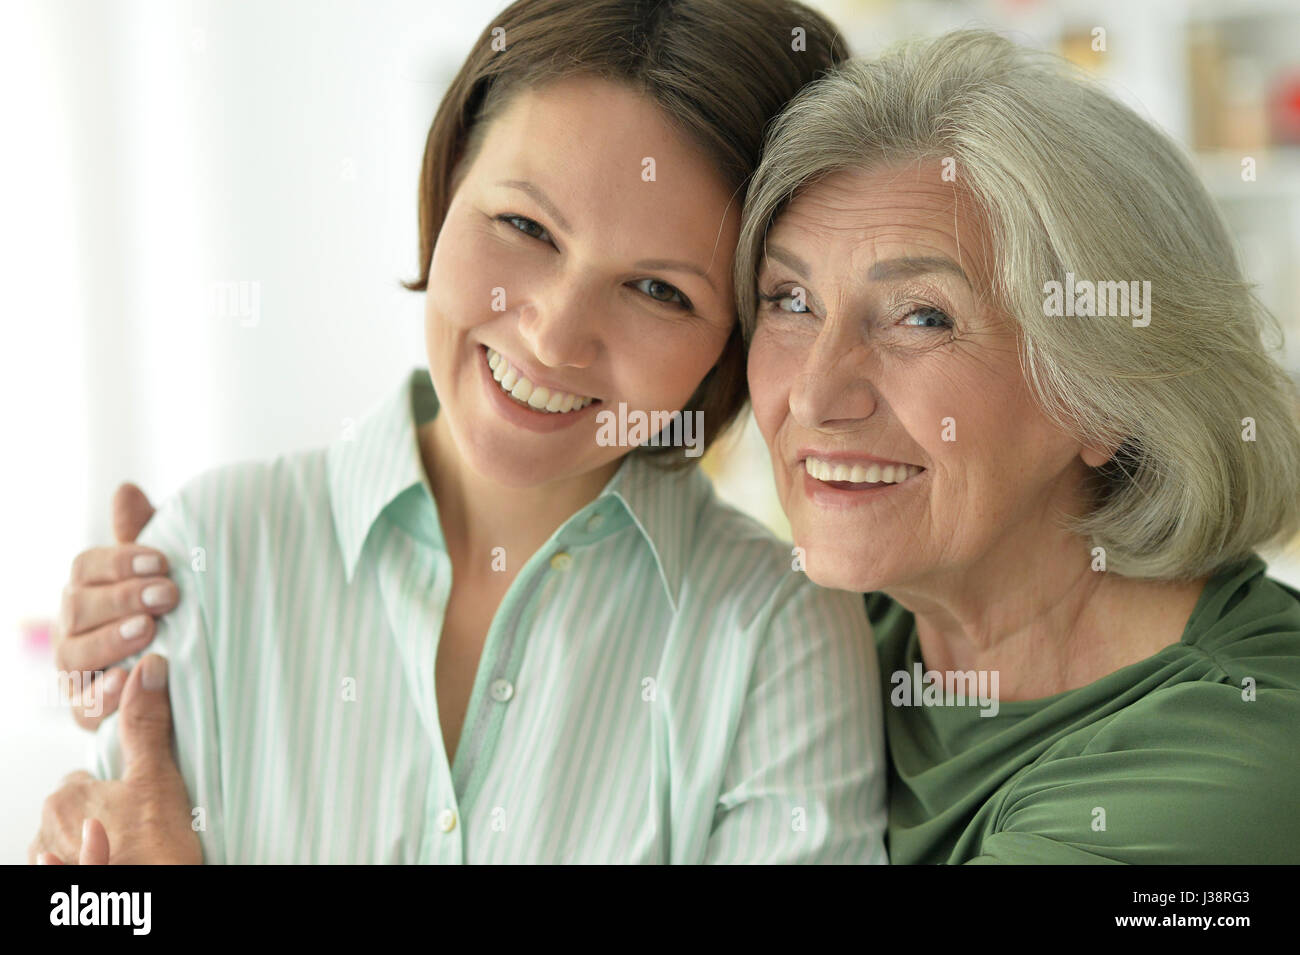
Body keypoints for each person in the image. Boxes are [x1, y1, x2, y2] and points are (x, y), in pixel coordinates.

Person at [32, 0, 886, 864]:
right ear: (445, 190)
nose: (554, 337)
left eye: (660, 291)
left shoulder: (780, 633)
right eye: (525, 227)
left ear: (731, 345)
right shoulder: (212, 555)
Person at [734, 29, 1300, 863]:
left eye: (923, 317)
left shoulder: (1231, 756)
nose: (814, 395)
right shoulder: (822, 634)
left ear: (1107, 391)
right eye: (790, 299)